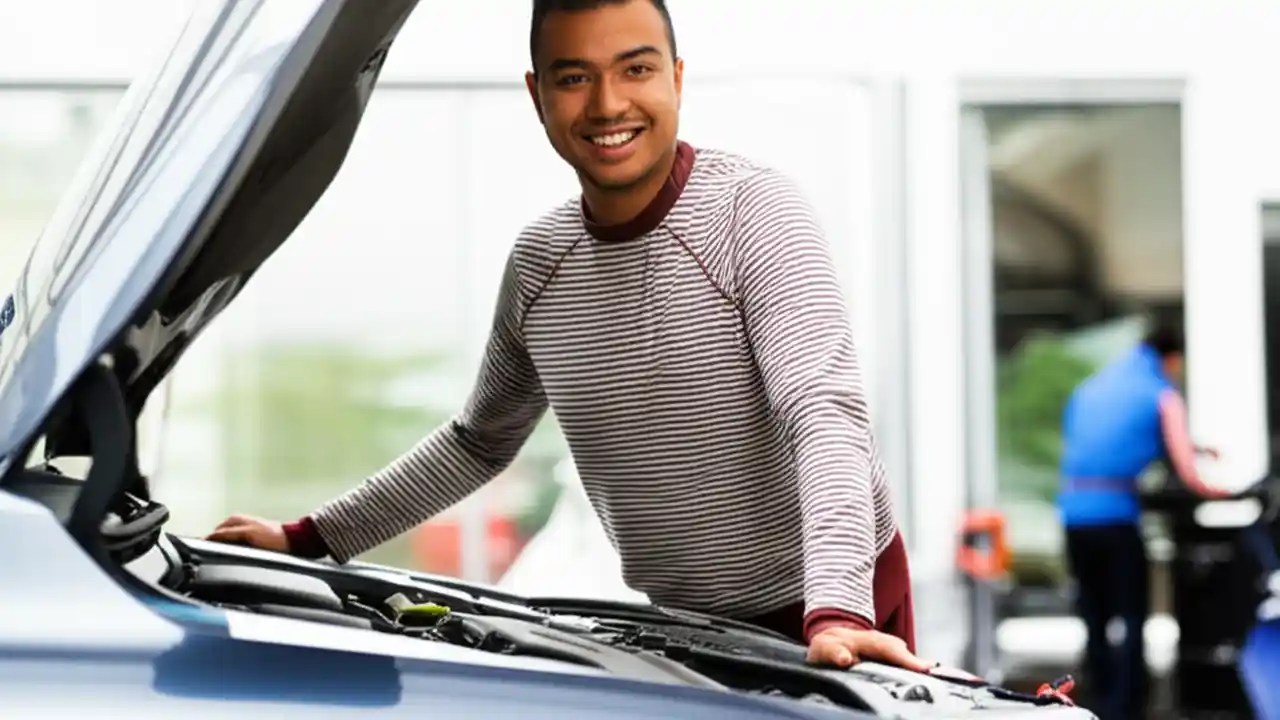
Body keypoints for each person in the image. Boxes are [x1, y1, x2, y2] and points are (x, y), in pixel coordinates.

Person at [207, 0, 926, 672]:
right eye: (575, 77)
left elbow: (822, 413)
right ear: (538, 95)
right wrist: (308, 539)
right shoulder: (539, 264)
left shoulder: (754, 212)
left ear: (676, 79)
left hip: (833, 610)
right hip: (688, 625)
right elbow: (478, 441)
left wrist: (835, 609)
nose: (609, 104)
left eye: (636, 70)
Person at [1058, 322, 1229, 720]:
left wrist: (1194, 447)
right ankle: (1127, 708)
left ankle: (1093, 705)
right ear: (1171, 359)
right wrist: (1220, 488)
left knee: (1094, 616)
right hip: (1116, 517)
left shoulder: (1091, 388)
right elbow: (1187, 472)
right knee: (1132, 617)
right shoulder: (1162, 393)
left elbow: (1100, 444)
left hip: (1074, 514)